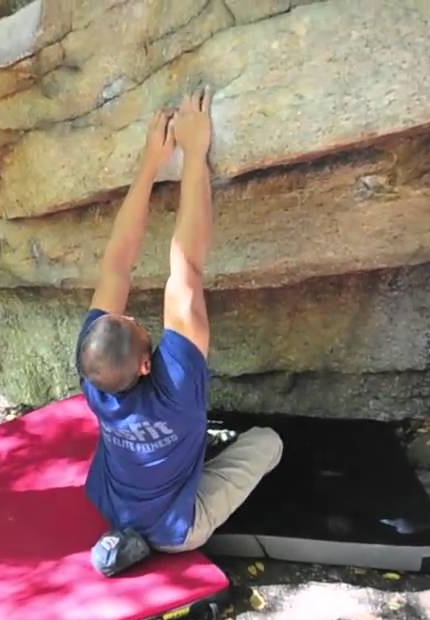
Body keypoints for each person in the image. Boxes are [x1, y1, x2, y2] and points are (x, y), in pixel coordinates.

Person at [75, 87, 284, 576]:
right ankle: (148, 538)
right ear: (147, 364)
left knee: (163, 454)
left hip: (114, 506)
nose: (129, 314)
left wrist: (150, 162)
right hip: (178, 530)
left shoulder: (95, 372)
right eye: (133, 323)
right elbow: (185, 265)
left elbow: (116, 268)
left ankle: (128, 535)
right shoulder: (176, 385)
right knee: (268, 441)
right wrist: (195, 153)